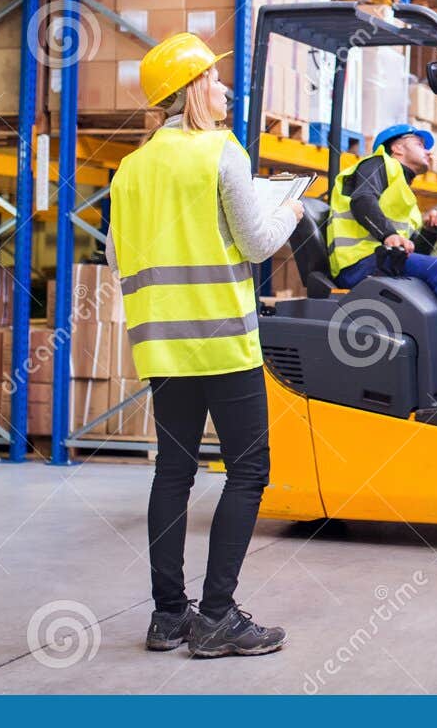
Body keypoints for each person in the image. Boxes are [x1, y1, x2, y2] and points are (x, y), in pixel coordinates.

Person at [107, 32, 303, 659]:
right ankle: (217, 615)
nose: (223, 89)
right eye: (214, 80)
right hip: (223, 342)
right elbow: (254, 242)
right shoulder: (221, 152)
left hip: (163, 348)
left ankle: (168, 616)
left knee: (173, 473)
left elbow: (115, 254)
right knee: (249, 472)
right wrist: (293, 213)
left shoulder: (130, 170)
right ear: (192, 90)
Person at [326, 123, 437, 389]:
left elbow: (415, 255)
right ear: (397, 147)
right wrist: (387, 235)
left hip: (384, 261)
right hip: (358, 265)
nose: (429, 151)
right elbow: (361, 200)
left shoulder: (403, 192)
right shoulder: (376, 165)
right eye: (420, 144)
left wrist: (429, 231)